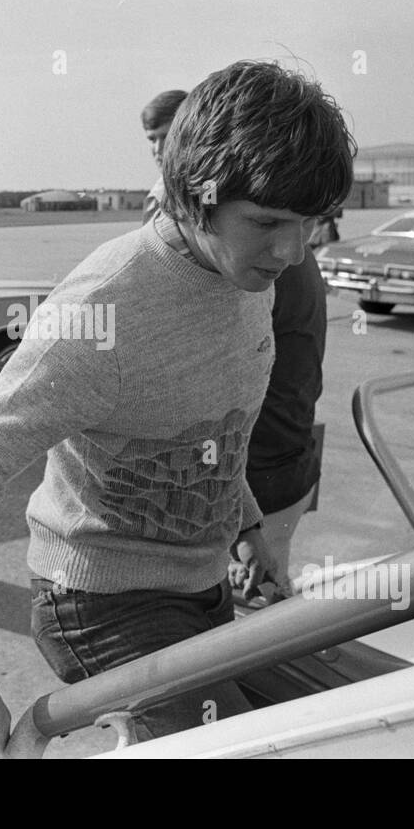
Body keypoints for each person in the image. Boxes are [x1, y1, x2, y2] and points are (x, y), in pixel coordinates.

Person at [0, 60, 355, 756]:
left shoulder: (247, 274)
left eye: (309, 223)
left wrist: (249, 524)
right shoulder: (103, 312)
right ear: (198, 197)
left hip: (202, 584)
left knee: (350, 719)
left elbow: (213, 429)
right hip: (101, 601)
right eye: (268, 222)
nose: (293, 251)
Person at [142, 85, 330, 598]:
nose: (159, 152)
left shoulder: (246, 260)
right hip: (279, 459)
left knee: (248, 605)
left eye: (168, 137)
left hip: (258, 466)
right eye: (152, 141)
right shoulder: (271, 248)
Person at [140, 89, 188, 224]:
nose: (158, 149)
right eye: (152, 139)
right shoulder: (157, 195)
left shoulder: (210, 190)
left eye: (166, 137)